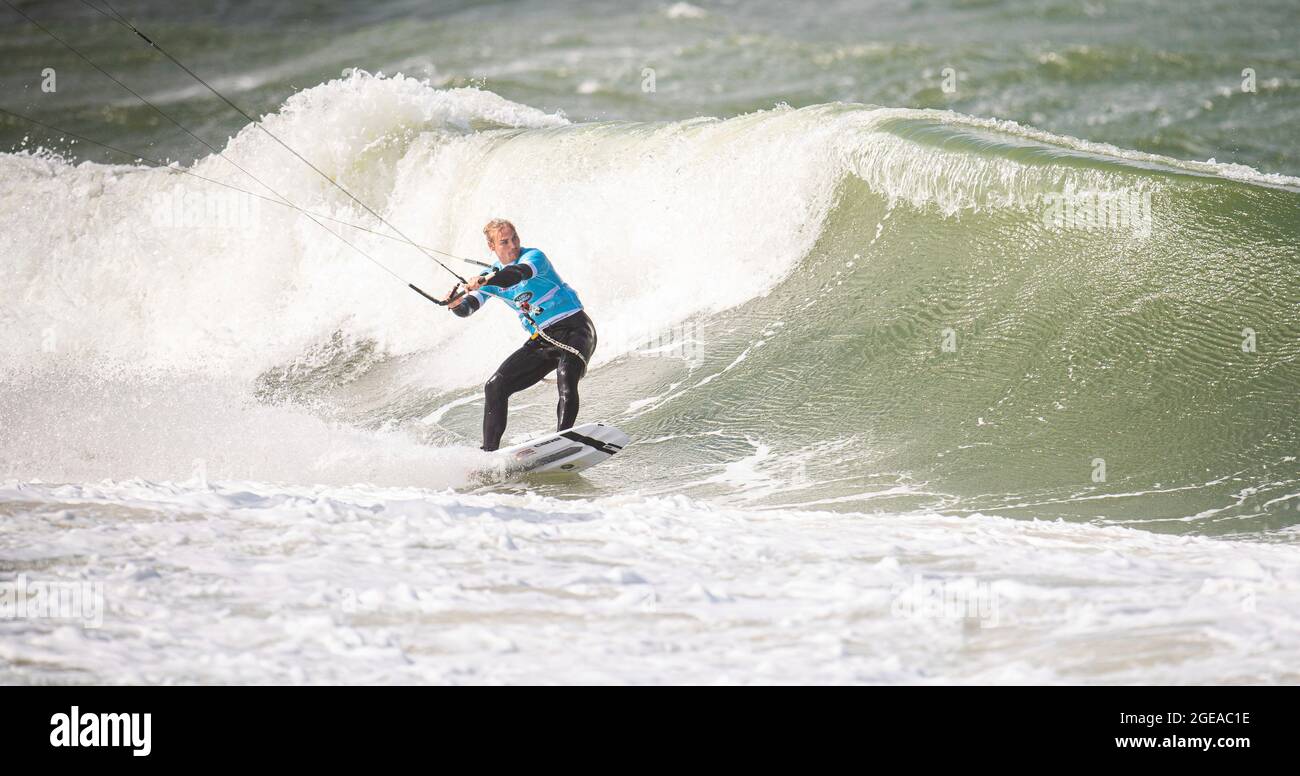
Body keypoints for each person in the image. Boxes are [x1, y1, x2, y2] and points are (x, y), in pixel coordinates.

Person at [444, 219, 598, 451]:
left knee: (566, 373)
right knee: (495, 386)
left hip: (575, 327)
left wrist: (486, 279)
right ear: (492, 246)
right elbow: (468, 308)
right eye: (504, 241)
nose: (513, 245)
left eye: (514, 238)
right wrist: (456, 304)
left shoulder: (533, 257)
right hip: (543, 339)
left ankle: (563, 441)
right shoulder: (490, 276)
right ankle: (488, 455)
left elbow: (517, 274)